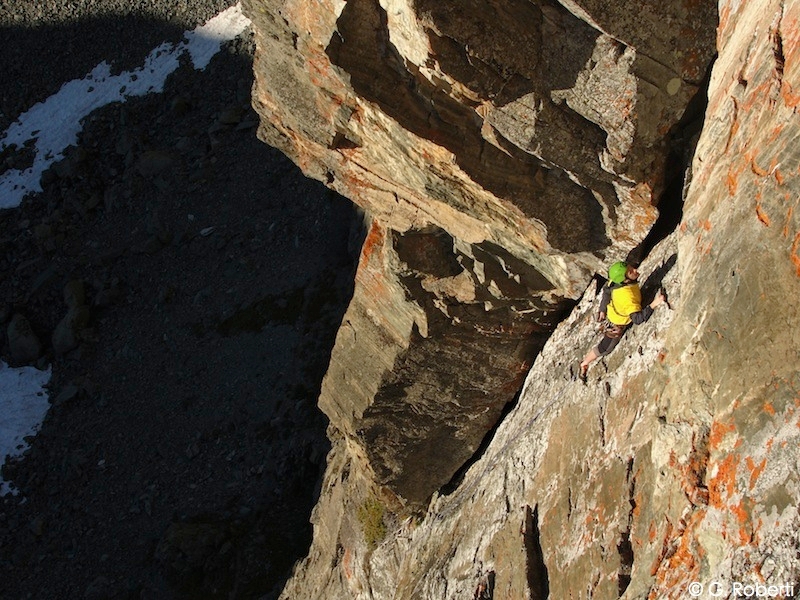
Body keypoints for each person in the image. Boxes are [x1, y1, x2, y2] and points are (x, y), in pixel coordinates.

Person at [578, 261, 666, 380]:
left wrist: (602, 309)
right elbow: (637, 319)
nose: (635, 270)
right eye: (630, 271)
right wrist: (654, 304)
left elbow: (607, 289)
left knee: (607, 344)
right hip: (616, 324)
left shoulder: (616, 282)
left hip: (612, 313)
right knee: (606, 348)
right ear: (625, 280)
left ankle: (585, 362)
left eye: (631, 268)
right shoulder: (627, 297)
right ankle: (585, 363)